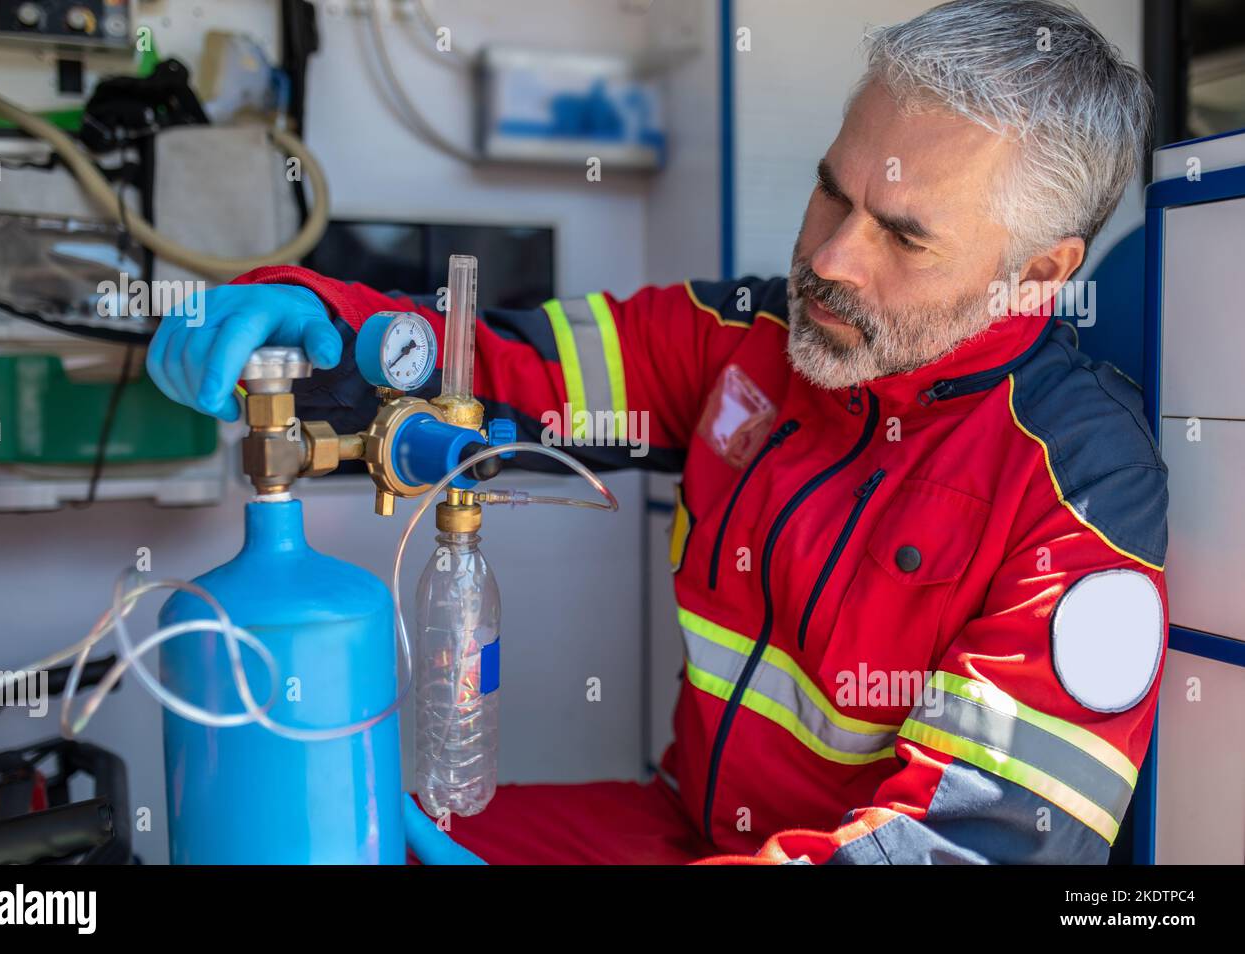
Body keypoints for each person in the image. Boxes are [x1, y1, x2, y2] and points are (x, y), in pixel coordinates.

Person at [147, 0, 1167, 864]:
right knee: (361, 839)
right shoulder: (748, 339)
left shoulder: (1084, 487)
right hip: (682, 830)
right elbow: (500, 372)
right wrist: (317, 320)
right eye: (830, 190)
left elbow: (972, 848)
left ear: (1038, 273)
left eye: (902, 235)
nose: (831, 257)